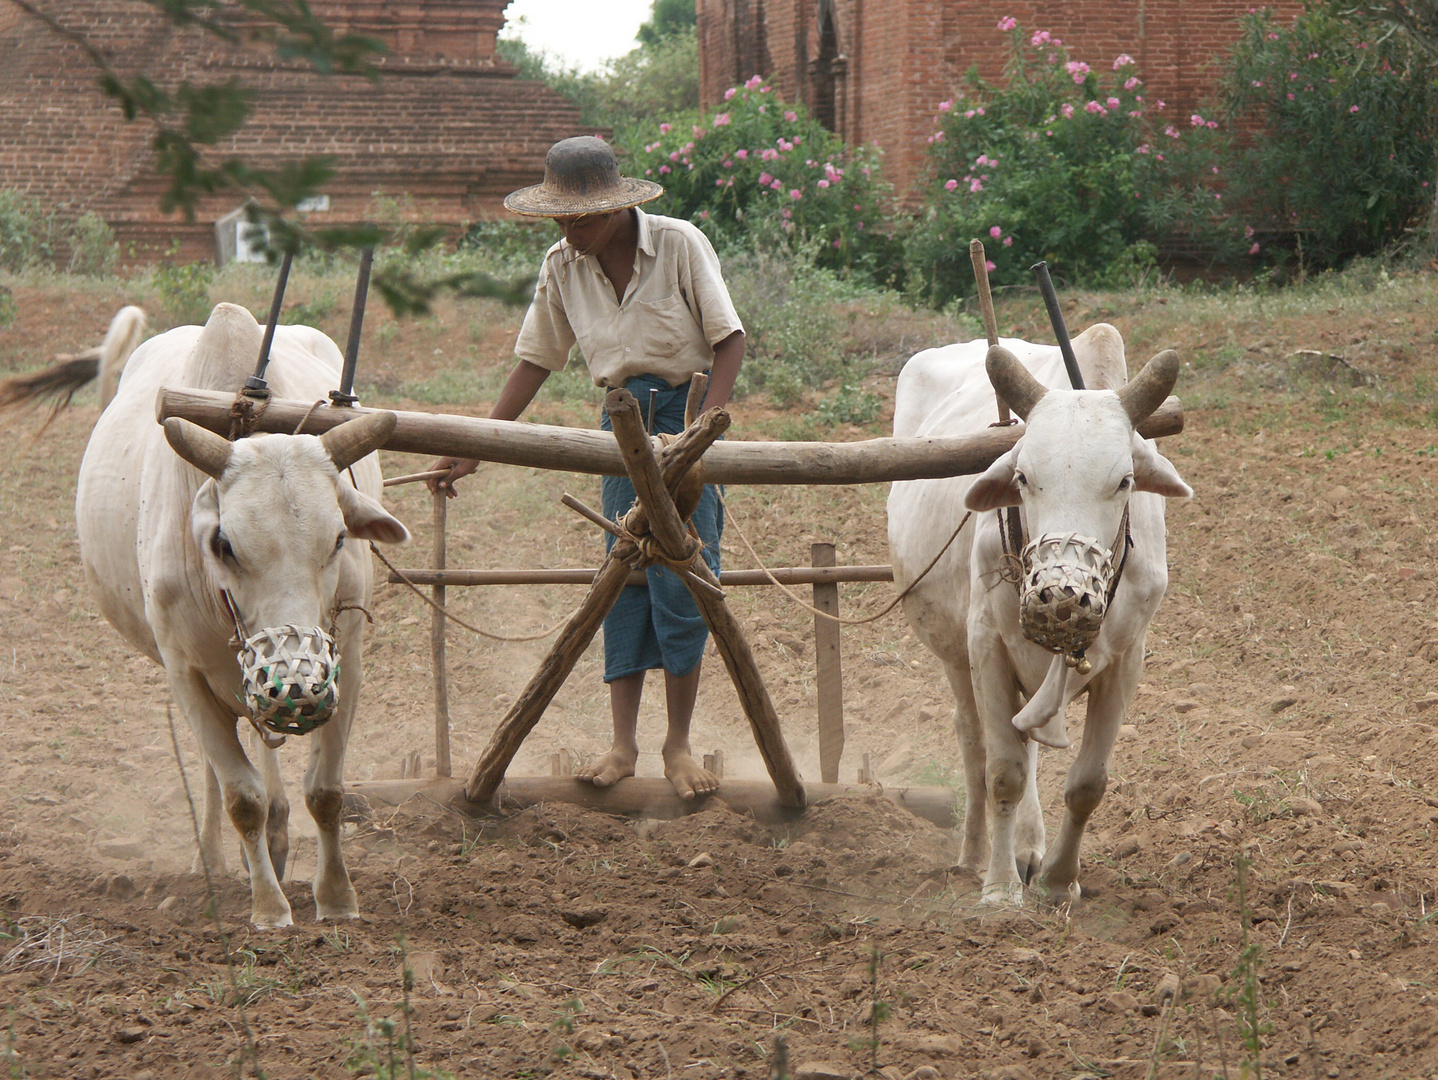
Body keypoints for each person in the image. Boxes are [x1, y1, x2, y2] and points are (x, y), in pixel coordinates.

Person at [428, 136, 745, 801]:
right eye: (561, 222)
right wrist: (480, 443)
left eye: (582, 221)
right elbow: (537, 359)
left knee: (686, 575)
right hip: (620, 425)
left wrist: (702, 430)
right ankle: (623, 744)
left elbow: (729, 340)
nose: (570, 233)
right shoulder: (561, 265)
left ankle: (678, 745)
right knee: (625, 575)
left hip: (683, 418)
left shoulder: (680, 244)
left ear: (616, 210)